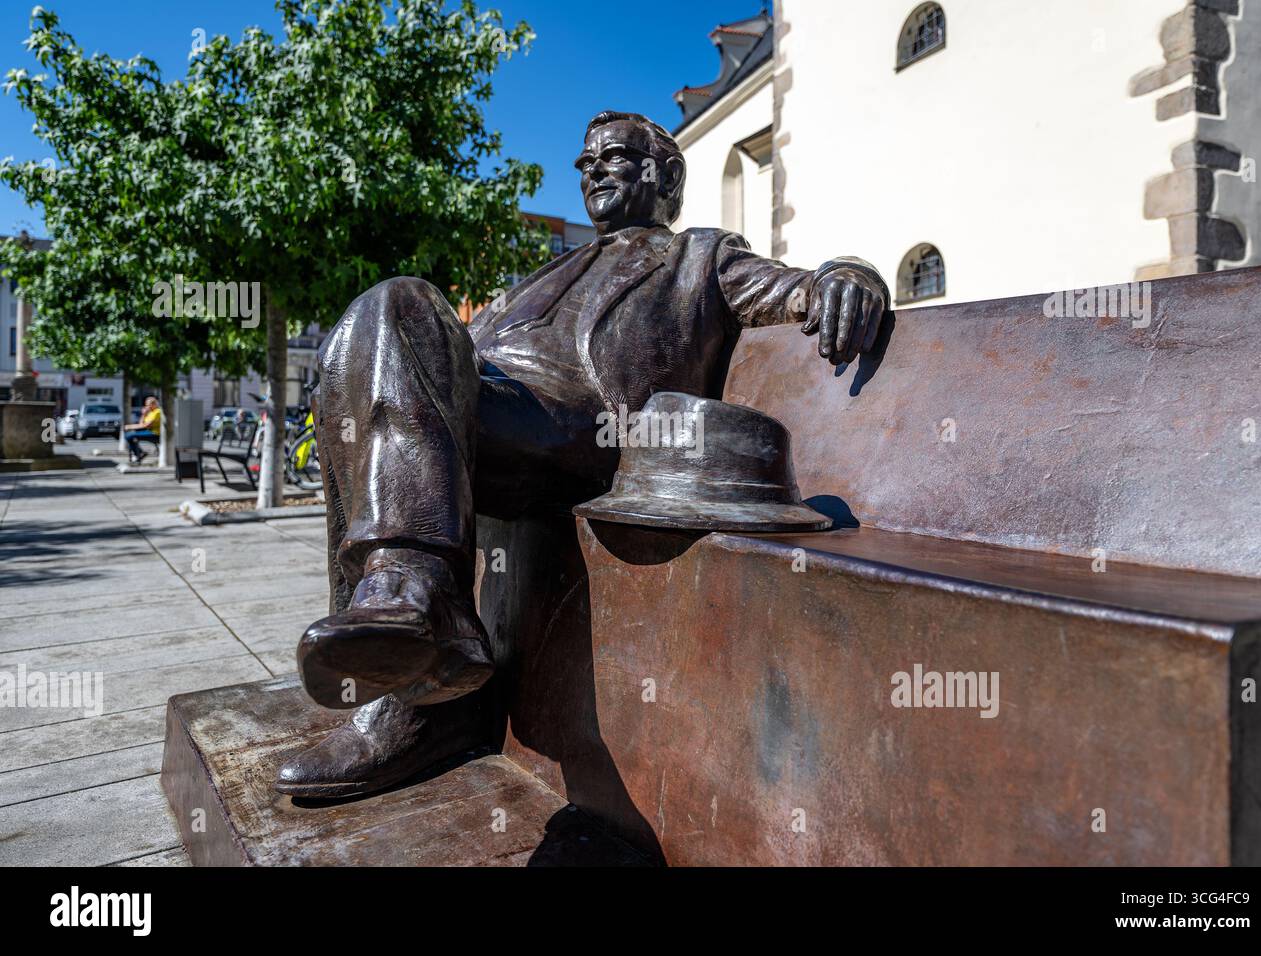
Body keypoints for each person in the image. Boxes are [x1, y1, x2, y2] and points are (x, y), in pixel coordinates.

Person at [276, 110, 891, 797]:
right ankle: (410, 626)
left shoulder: (702, 256)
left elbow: (794, 288)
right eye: (585, 161)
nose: (591, 169)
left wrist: (849, 272)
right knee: (389, 304)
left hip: (585, 426)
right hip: (492, 403)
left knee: (398, 310)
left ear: (666, 175)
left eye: (614, 157)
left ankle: (414, 639)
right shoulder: (543, 272)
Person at [123, 396, 161, 464]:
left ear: (154, 404)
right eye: (146, 405)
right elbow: (141, 423)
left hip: (155, 434)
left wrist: (130, 427)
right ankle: (140, 453)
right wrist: (144, 414)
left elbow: (146, 425)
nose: (147, 406)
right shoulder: (151, 412)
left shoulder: (157, 412)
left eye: (148, 405)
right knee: (129, 435)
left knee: (129, 435)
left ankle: (140, 454)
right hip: (149, 432)